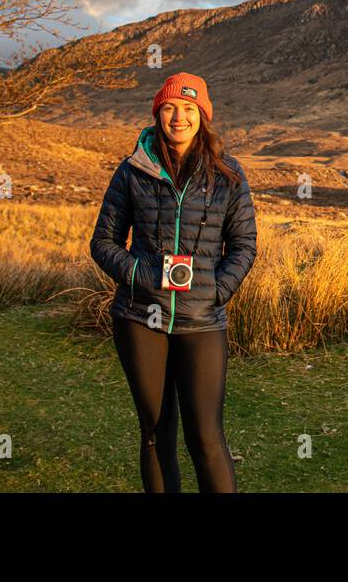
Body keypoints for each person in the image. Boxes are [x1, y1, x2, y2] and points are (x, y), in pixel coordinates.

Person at [89, 72, 257, 492]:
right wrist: (141, 276)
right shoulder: (132, 172)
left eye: (188, 108)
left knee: (207, 438)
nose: (177, 117)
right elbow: (104, 242)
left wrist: (216, 291)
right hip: (140, 317)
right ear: (157, 113)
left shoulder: (228, 175)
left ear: (202, 115)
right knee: (155, 433)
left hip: (202, 322)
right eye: (168, 107)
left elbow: (244, 245)